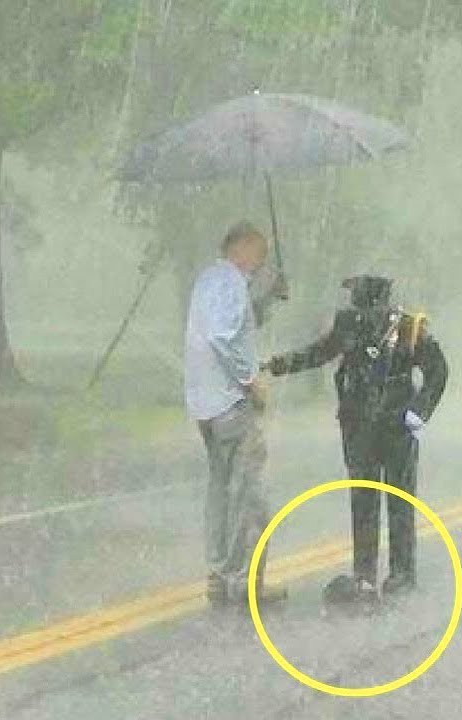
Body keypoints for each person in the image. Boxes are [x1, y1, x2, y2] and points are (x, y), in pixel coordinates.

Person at [265, 275, 448, 600]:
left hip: (396, 427)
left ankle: (402, 573)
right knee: (363, 502)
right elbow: (321, 352)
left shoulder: (407, 327)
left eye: (362, 298)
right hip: (359, 427)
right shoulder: (348, 324)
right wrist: (280, 365)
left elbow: (437, 368)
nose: (360, 306)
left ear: (379, 299)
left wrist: (418, 411)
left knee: (399, 500)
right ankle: (364, 574)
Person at [185, 221, 288, 610]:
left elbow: (235, 326)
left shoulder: (208, 281)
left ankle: (219, 575)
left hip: (206, 407)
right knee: (248, 496)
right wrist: (251, 380)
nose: (261, 265)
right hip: (231, 404)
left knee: (222, 491)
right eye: (259, 255)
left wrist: (266, 300)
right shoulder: (230, 282)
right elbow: (224, 337)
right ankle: (245, 580)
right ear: (241, 247)